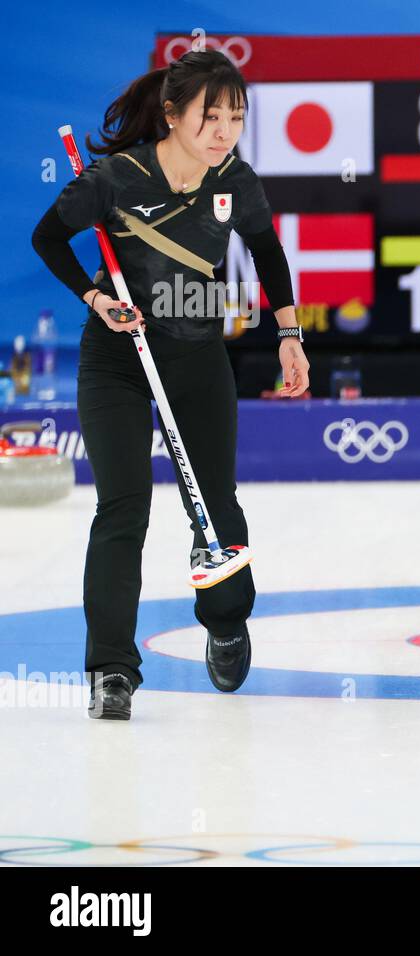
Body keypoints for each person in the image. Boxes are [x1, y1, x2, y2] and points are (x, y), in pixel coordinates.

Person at [30, 49, 310, 718]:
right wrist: (97, 299)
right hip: (118, 359)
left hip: (195, 357)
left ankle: (223, 618)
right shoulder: (116, 179)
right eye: (210, 116)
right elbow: (48, 237)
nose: (224, 130)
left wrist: (290, 333)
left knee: (214, 504)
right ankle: (112, 670)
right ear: (172, 115)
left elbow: (265, 248)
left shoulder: (235, 181)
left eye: (235, 117)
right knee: (122, 508)